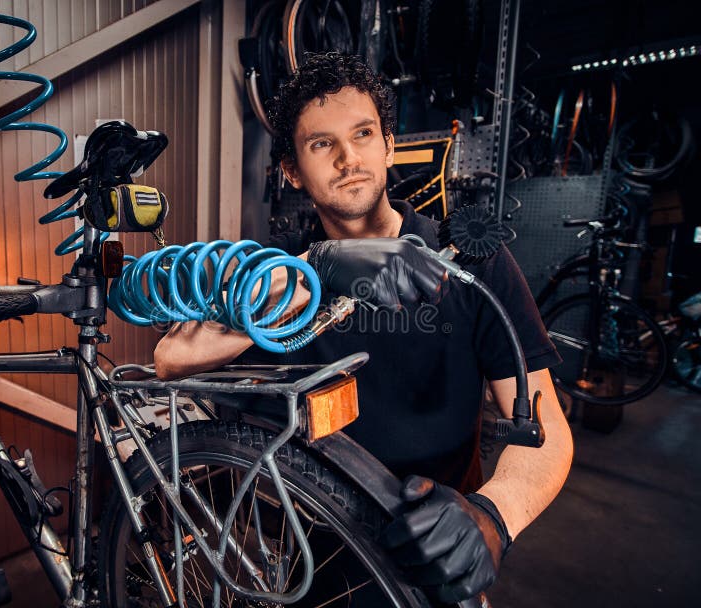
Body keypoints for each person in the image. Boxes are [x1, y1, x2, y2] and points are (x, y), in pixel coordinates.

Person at [154, 52, 572, 605]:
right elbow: (170, 359)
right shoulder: (279, 274)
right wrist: (319, 269)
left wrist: (494, 517)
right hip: (308, 569)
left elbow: (545, 427)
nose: (348, 157)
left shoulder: (469, 261)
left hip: (434, 561)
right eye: (321, 143)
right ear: (292, 171)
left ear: (389, 145)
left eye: (363, 133)